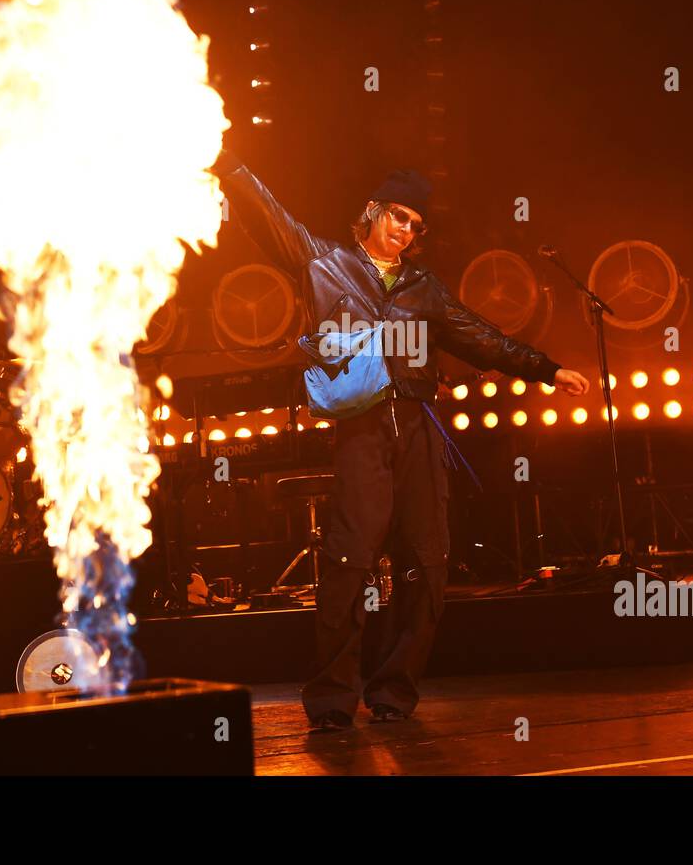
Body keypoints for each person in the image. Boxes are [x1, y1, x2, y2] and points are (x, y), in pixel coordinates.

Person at [212, 151, 591, 730]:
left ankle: (393, 690)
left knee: (427, 562)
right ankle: (333, 699)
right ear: (371, 213)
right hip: (361, 430)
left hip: (417, 427)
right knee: (348, 561)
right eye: (397, 216)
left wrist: (547, 369)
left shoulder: (425, 289)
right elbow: (270, 218)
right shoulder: (324, 263)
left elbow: (483, 339)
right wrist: (231, 167)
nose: (405, 230)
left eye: (416, 224)